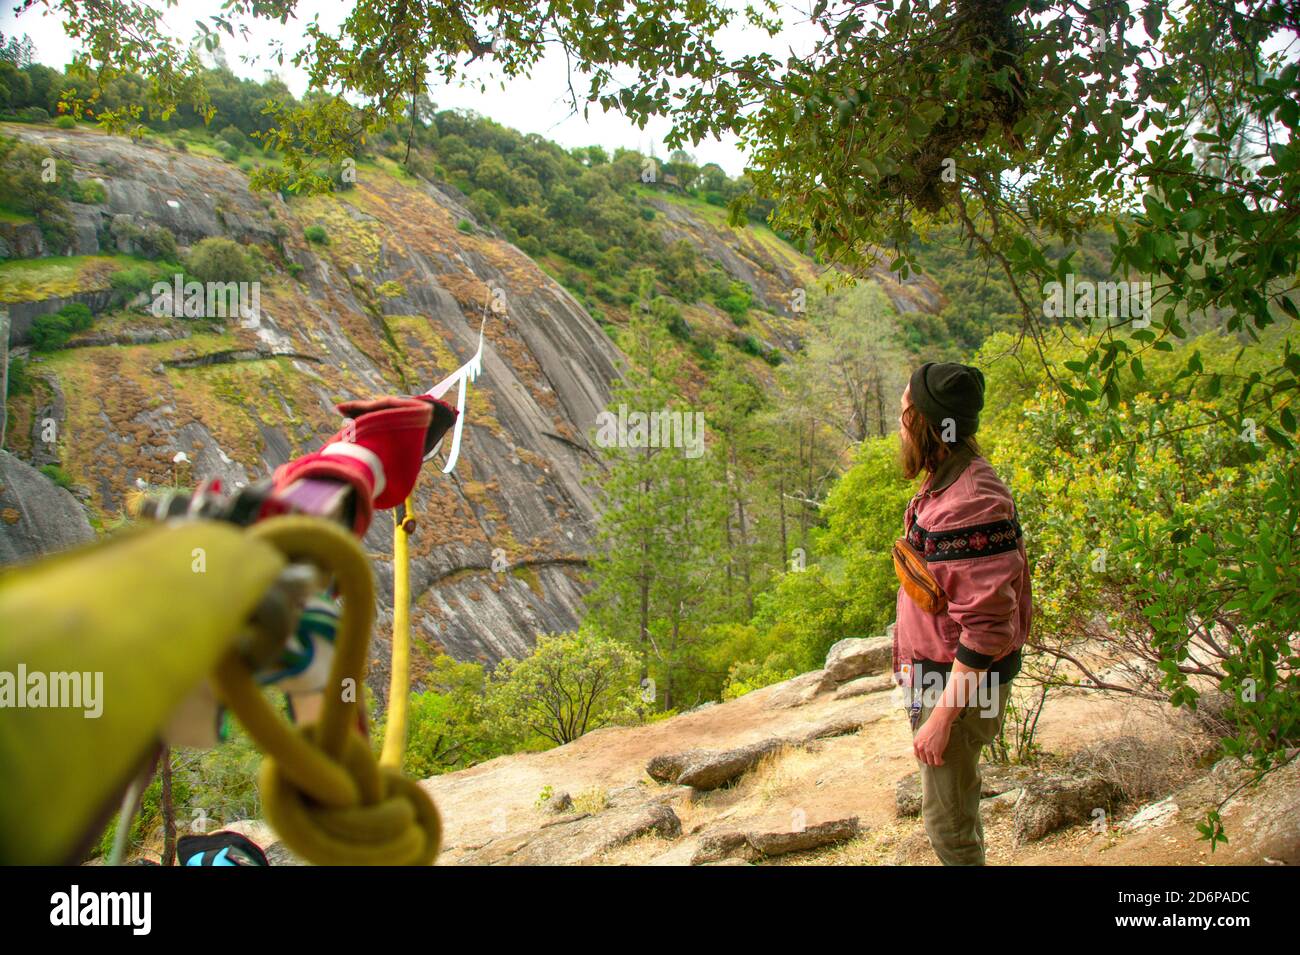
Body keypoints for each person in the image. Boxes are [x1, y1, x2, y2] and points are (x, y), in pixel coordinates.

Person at [893, 362, 1032, 866]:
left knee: (949, 825)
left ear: (926, 423)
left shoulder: (967, 502)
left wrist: (941, 719)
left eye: (906, 407)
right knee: (951, 811)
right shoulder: (951, 479)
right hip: (943, 676)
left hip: (957, 685)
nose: (899, 416)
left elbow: (988, 627)